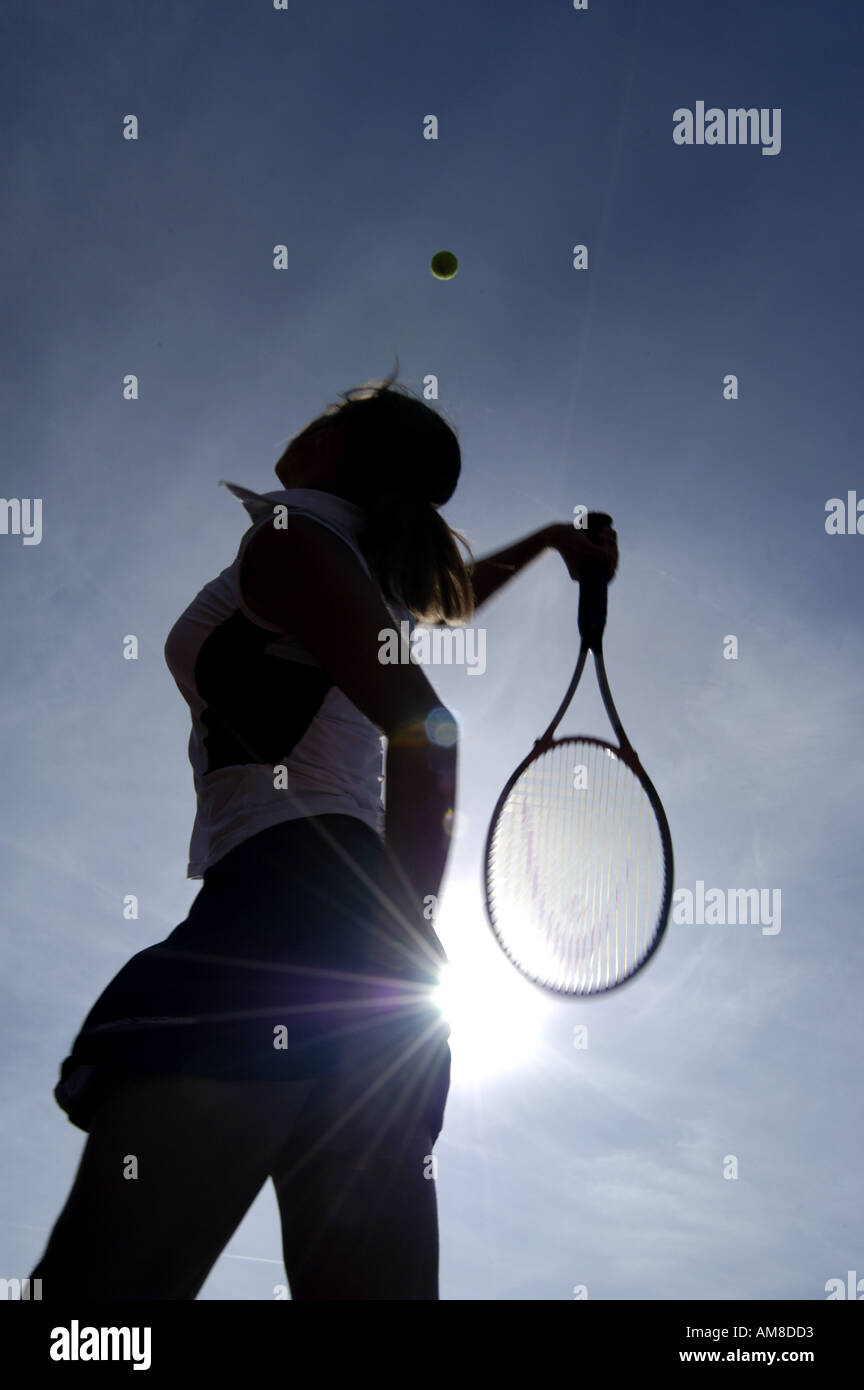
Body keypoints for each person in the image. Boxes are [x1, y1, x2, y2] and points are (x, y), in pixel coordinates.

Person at [31, 369, 617, 1300]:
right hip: (372, 988)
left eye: (327, 415)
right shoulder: (338, 557)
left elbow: (430, 731)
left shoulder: (290, 536)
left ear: (341, 449)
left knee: (91, 1311)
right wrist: (549, 543)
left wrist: (404, 917)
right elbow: (448, 601)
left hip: (285, 910)